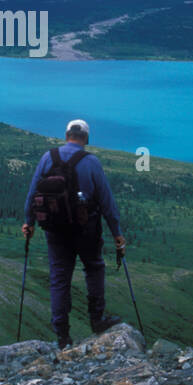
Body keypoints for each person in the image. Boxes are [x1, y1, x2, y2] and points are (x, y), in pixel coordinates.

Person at [22, 118, 125, 349]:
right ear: (86, 138)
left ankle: (62, 335)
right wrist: (117, 233)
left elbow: (32, 194)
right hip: (86, 228)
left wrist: (28, 223)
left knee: (59, 279)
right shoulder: (91, 162)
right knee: (94, 268)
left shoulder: (48, 158)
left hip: (55, 230)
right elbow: (107, 202)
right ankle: (97, 320)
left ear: (66, 134)